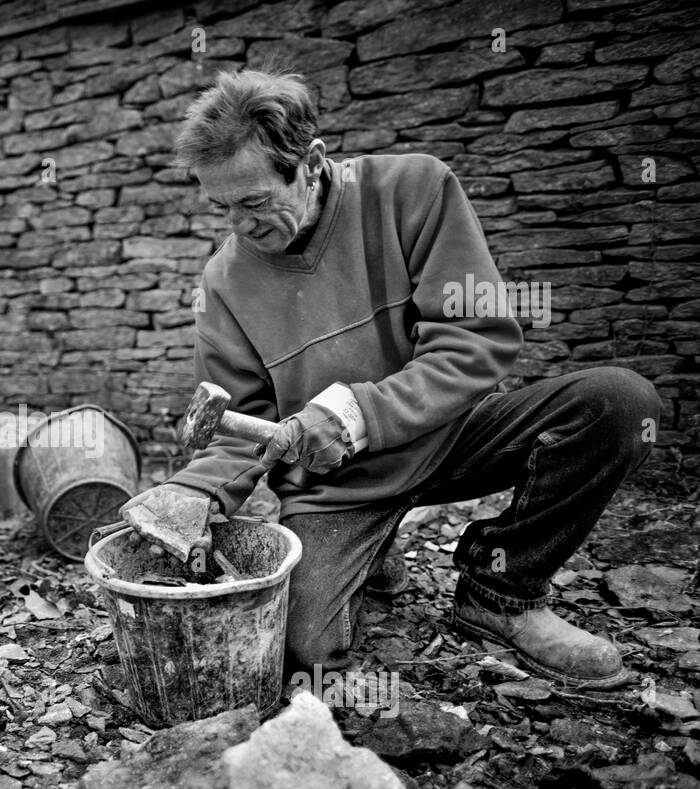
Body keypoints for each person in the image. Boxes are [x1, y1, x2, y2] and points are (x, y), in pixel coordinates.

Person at [120, 69, 660, 690]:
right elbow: (240, 423)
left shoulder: (413, 190)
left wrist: (357, 415)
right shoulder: (224, 282)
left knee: (619, 403)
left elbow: (476, 338)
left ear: (312, 161)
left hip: (451, 435)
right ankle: (370, 550)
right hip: (340, 482)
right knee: (306, 650)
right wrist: (195, 493)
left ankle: (502, 592)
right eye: (221, 208)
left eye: (255, 201)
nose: (240, 226)